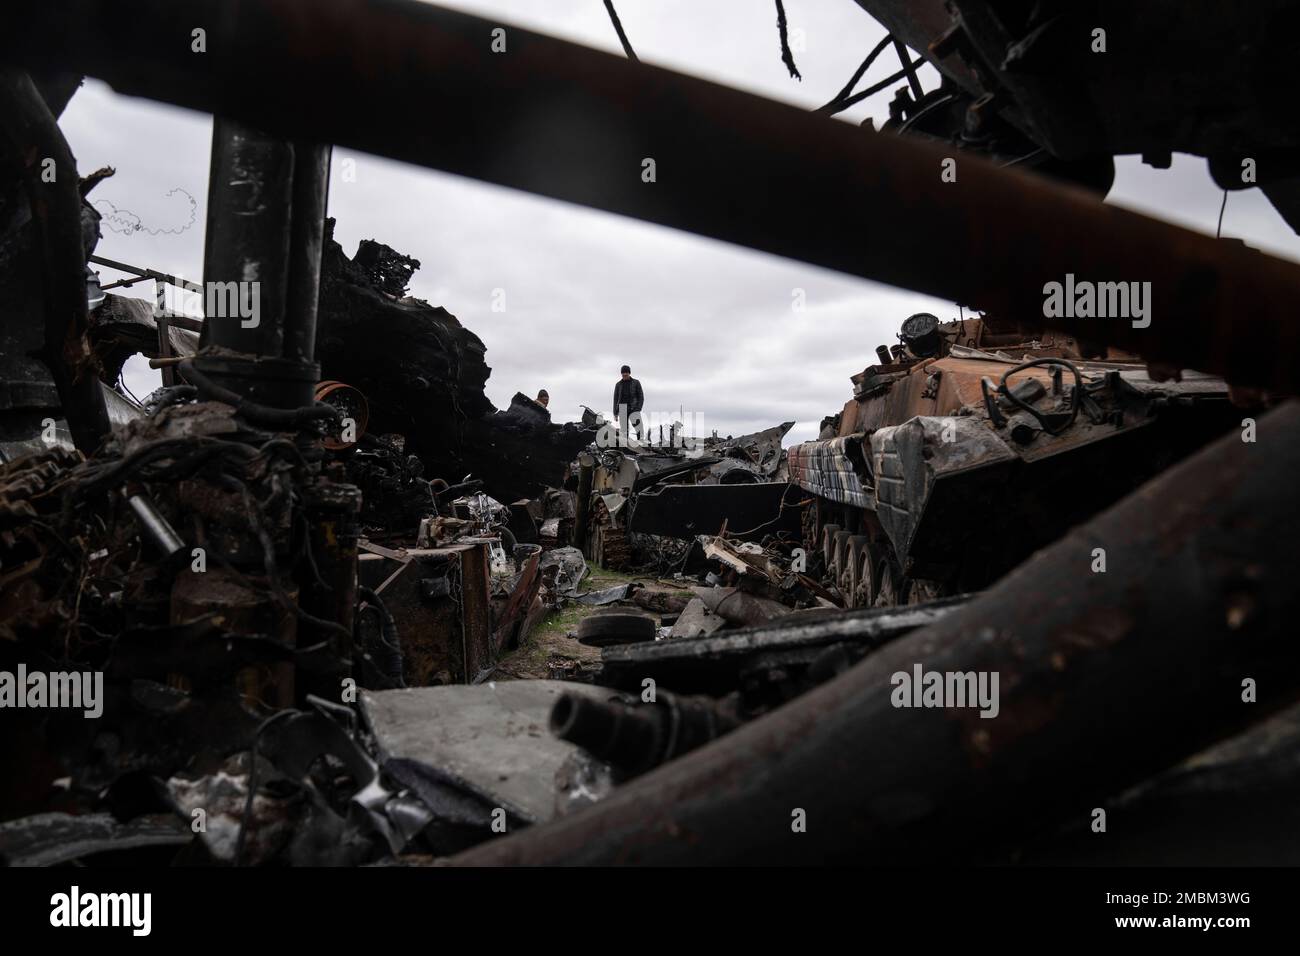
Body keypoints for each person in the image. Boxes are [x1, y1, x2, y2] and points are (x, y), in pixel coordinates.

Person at [612, 365, 644, 441]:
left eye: (626, 373)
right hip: (622, 409)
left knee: (639, 428)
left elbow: (641, 396)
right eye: (623, 373)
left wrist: (638, 408)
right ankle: (625, 447)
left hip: (634, 408)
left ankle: (641, 443)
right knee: (624, 431)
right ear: (621, 374)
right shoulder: (618, 385)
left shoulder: (636, 382)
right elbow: (615, 399)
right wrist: (615, 413)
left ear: (629, 373)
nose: (625, 374)